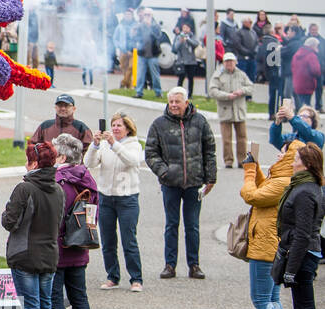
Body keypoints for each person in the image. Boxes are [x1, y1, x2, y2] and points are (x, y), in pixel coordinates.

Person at [1, 141, 65, 309]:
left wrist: (6, 213)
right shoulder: (57, 189)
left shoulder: (25, 189)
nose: (25, 165)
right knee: (46, 307)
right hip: (49, 255)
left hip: (25, 254)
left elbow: (9, 221)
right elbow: (59, 223)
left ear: (35, 163)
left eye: (28, 160)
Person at [145, 87, 217, 279]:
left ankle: (194, 265)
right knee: (171, 224)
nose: (174, 105)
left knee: (192, 225)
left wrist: (211, 178)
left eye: (178, 101)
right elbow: (151, 153)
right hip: (170, 184)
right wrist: (164, 172)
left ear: (187, 102)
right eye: (171, 102)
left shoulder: (200, 121)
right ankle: (170, 265)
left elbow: (209, 150)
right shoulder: (159, 124)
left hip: (194, 182)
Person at [240, 140, 302, 309]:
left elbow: (252, 196)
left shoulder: (283, 182)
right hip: (272, 245)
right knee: (273, 298)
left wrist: (249, 171)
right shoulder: (281, 178)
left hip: (265, 248)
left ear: (291, 158)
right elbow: (264, 188)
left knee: (261, 299)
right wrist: (256, 167)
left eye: (282, 154)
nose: (278, 156)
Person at [277, 143, 325, 309]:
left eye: (295, 158)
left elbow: (304, 234)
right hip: (303, 255)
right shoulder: (306, 186)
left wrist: (291, 269)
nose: (292, 161)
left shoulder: (305, 191)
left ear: (305, 164)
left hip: (303, 257)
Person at [87, 113, 145, 291]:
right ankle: (112, 276)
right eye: (113, 125)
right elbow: (88, 163)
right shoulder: (104, 145)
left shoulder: (133, 145)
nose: (115, 128)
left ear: (127, 128)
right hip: (106, 197)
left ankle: (136, 278)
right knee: (108, 240)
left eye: (119, 125)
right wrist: (95, 145)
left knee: (129, 239)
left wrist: (114, 144)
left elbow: (132, 161)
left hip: (127, 198)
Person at [52, 134, 97, 309]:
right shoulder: (87, 179)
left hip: (59, 249)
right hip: (80, 246)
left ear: (61, 156)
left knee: (56, 299)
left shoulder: (58, 181)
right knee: (80, 297)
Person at [209, 52, 255, 168]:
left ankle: (242, 160)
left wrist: (242, 91)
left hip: (239, 111)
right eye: (227, 61)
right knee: (227, 139)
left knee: (242, 137)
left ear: (235, 62)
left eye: (231, 61)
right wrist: (226, 96)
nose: (229, 64)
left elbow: (251, 87)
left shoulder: (241, 74)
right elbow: (212, 91)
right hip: (225, 111)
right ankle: (228, 160)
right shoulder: (218, 75)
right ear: (223, 63)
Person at [29, 94, 95, 149]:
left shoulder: (81, 128)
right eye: (60, 105)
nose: (63, 108)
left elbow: (89, 152)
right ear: (55, 107)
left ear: (74, 108)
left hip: (73, 164)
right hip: (48, 164)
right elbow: (32, 147)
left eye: (66, 106)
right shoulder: (45, 126)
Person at [133, 8, 165, 99]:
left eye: (148, 15)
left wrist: (150, 28)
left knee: (155, 74)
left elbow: (158, 37)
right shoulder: (140, 26)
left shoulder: (156, 26)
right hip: (142, 54)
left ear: (152, 15)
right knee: (140, 74)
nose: (146, 16)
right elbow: (136, 38)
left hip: (153, 54)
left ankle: (158, 92)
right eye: (145, 14)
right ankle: (139, 92)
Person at [292, 37, 322, 110]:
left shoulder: (297, 54)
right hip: (308, 84)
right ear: (312, 45)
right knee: (306, 106)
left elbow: (292, 67)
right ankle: (304, 121)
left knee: (299, 105)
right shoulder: (311, 56)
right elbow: (315, 70)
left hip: (297, 83)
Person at [258, 29, 283, 115]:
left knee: (273, 94)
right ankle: (276, 113)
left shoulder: (262, 43)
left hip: (270, 72)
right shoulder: (275, 43)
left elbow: (261, 59)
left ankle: (272, 113)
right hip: (276, 71)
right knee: (279, 94)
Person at [173, 23, 200, 99]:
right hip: (182, 61)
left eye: (187, 28)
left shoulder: (192, 36)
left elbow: (196, 44)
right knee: (181, 78)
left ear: (189, 29)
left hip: (191, 61)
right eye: (184, 28)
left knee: (191, 78)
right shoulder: (179, 37)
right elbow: (175, 47)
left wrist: (188, 39)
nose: (185, 29)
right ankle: (178, 94)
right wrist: (181, 41)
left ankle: (190, 94)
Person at [113, 9, 136, 89]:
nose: (127, 16)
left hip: (133, 51)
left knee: (131, 67)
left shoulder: (136, 26)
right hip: (123, 51)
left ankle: (123, 82)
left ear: (132, 16)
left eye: (129, 14)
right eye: (126, 14)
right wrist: (119, 46)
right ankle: (129, 85)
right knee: (124, 68)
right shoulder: (120, 26)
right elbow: (115, 38)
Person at [234, 17, 260, 83]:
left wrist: (254, 51)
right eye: (249, 22)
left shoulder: (253, 32)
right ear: (244, 23)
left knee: (251, 77)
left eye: (251, 22)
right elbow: (238, 45)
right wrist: (247, 52)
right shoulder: (239, 32)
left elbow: (257, 43)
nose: (251, 23)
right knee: (241, 77)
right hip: (242, 58)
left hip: (252, 58)